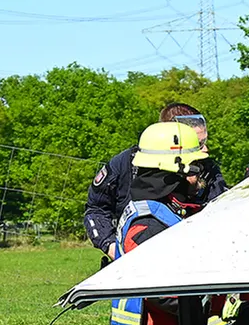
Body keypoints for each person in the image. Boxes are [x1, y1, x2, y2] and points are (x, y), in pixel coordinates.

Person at [108, 120, 216, 325]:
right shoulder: (146, 224)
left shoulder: (165, 212)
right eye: (194, 171)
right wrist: (220, 293)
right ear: (173, 173)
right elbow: (166, 295)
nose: (198, 178)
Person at [85, 103, 225, 257]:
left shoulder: (206, 167)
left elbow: (220, 209)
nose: (205, 150)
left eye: (204, 141)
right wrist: (114, 249)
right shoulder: (125, 164)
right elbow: (95, 209)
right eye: (197, 144)